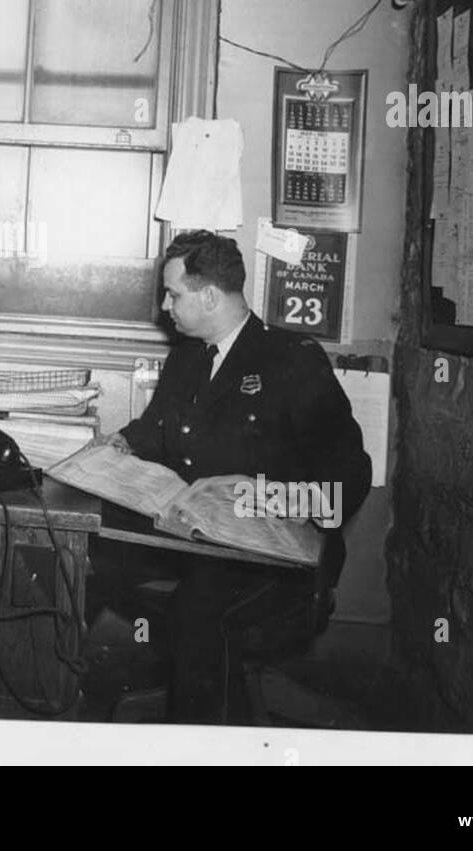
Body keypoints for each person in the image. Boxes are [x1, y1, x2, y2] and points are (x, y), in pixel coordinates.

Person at [95, 229, 372, 723]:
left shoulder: (293, 361)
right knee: (88, 552)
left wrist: (269, 497)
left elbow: (348, 481)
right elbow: (157, 431)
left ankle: (204, 740)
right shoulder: (187, 357)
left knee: (198, 613)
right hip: (194, 539)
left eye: (173, 294)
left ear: (208, 295)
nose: (165, 306)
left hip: (273, 556)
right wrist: (122, 444)